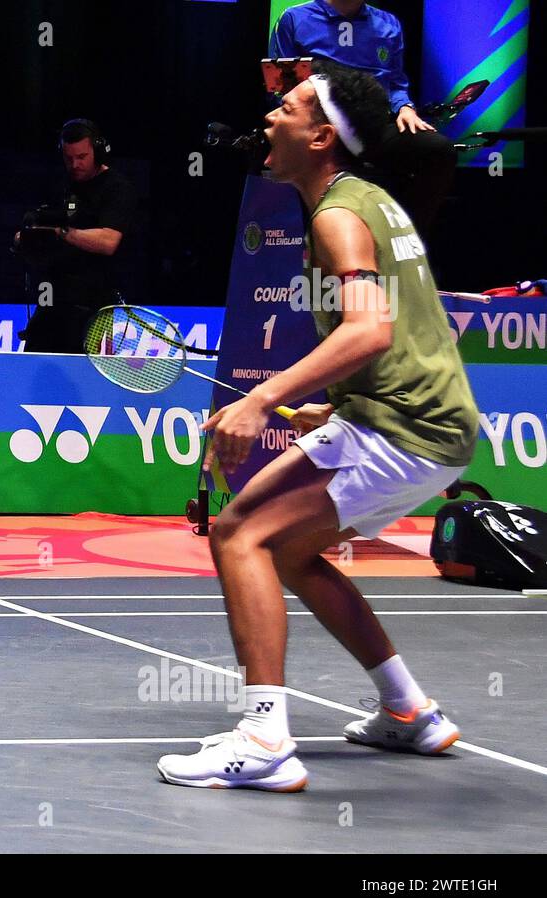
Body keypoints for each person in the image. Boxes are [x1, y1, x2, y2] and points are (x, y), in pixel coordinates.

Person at [157, 64, 478, 791]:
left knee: (240, 531)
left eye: (288, 107)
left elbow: (368, 331)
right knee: (294, 552)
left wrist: (260, 400)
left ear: (322, 136)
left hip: (405, 426)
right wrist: (332, 405)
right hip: (428, 421)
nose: (270, 116)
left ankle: (265, 737)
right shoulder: (371, 204)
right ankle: (409, 710)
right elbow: (408, 337)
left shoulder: (337, 215)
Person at [270, 0, 458, 239]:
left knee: (439, 149)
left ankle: (405, 240)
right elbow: (278, 86)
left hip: (371, 127)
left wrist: (405, 108)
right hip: (318, 129)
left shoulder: (389, 24)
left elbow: (396, 83)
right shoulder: (294, 19)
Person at [16, 119, 137, 353]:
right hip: (53, 301)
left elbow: (108, 241)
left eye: (82, 157)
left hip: (96, 305)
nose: (75, 164)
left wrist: (63, 234)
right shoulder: (62, 185)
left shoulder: (117, 188)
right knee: (31, 366)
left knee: (86, 380)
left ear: (99, 151)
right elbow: (44, 225)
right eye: (68, 158)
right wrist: (28, 239)